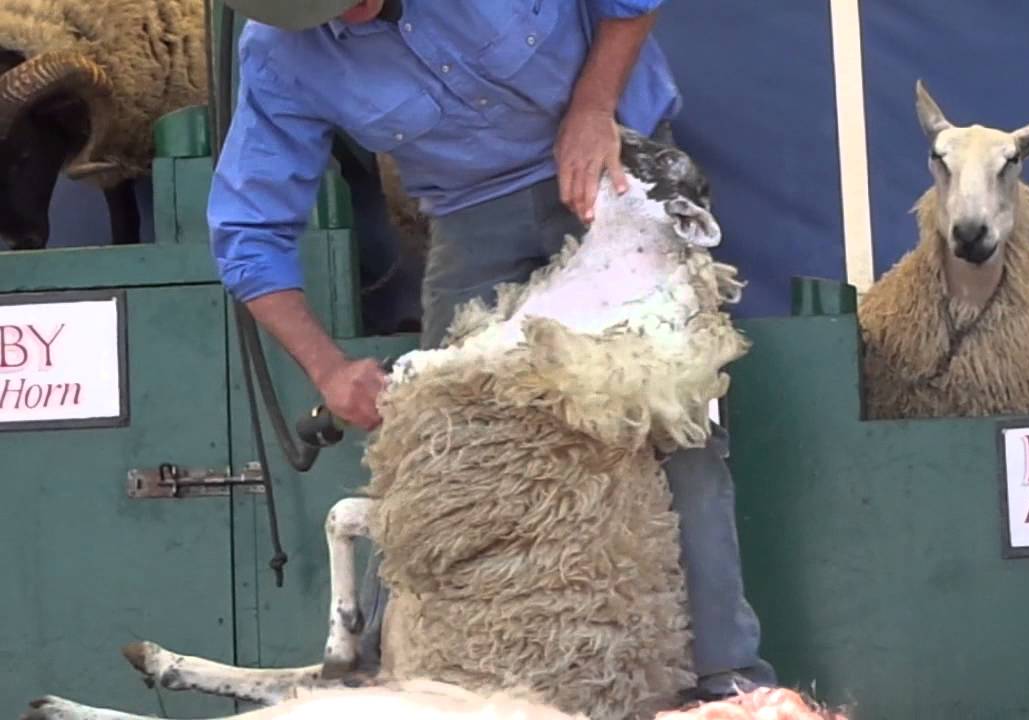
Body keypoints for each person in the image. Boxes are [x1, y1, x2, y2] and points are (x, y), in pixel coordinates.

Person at [209, 0, 777, 702]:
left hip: (617, 173)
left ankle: (729, 683)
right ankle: (401, 685)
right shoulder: (278, 50)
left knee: (673, 421)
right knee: (442, 455)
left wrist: (593, 107)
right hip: (472, 215)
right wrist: (328, 368)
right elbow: (248, 235)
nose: (349, 21)